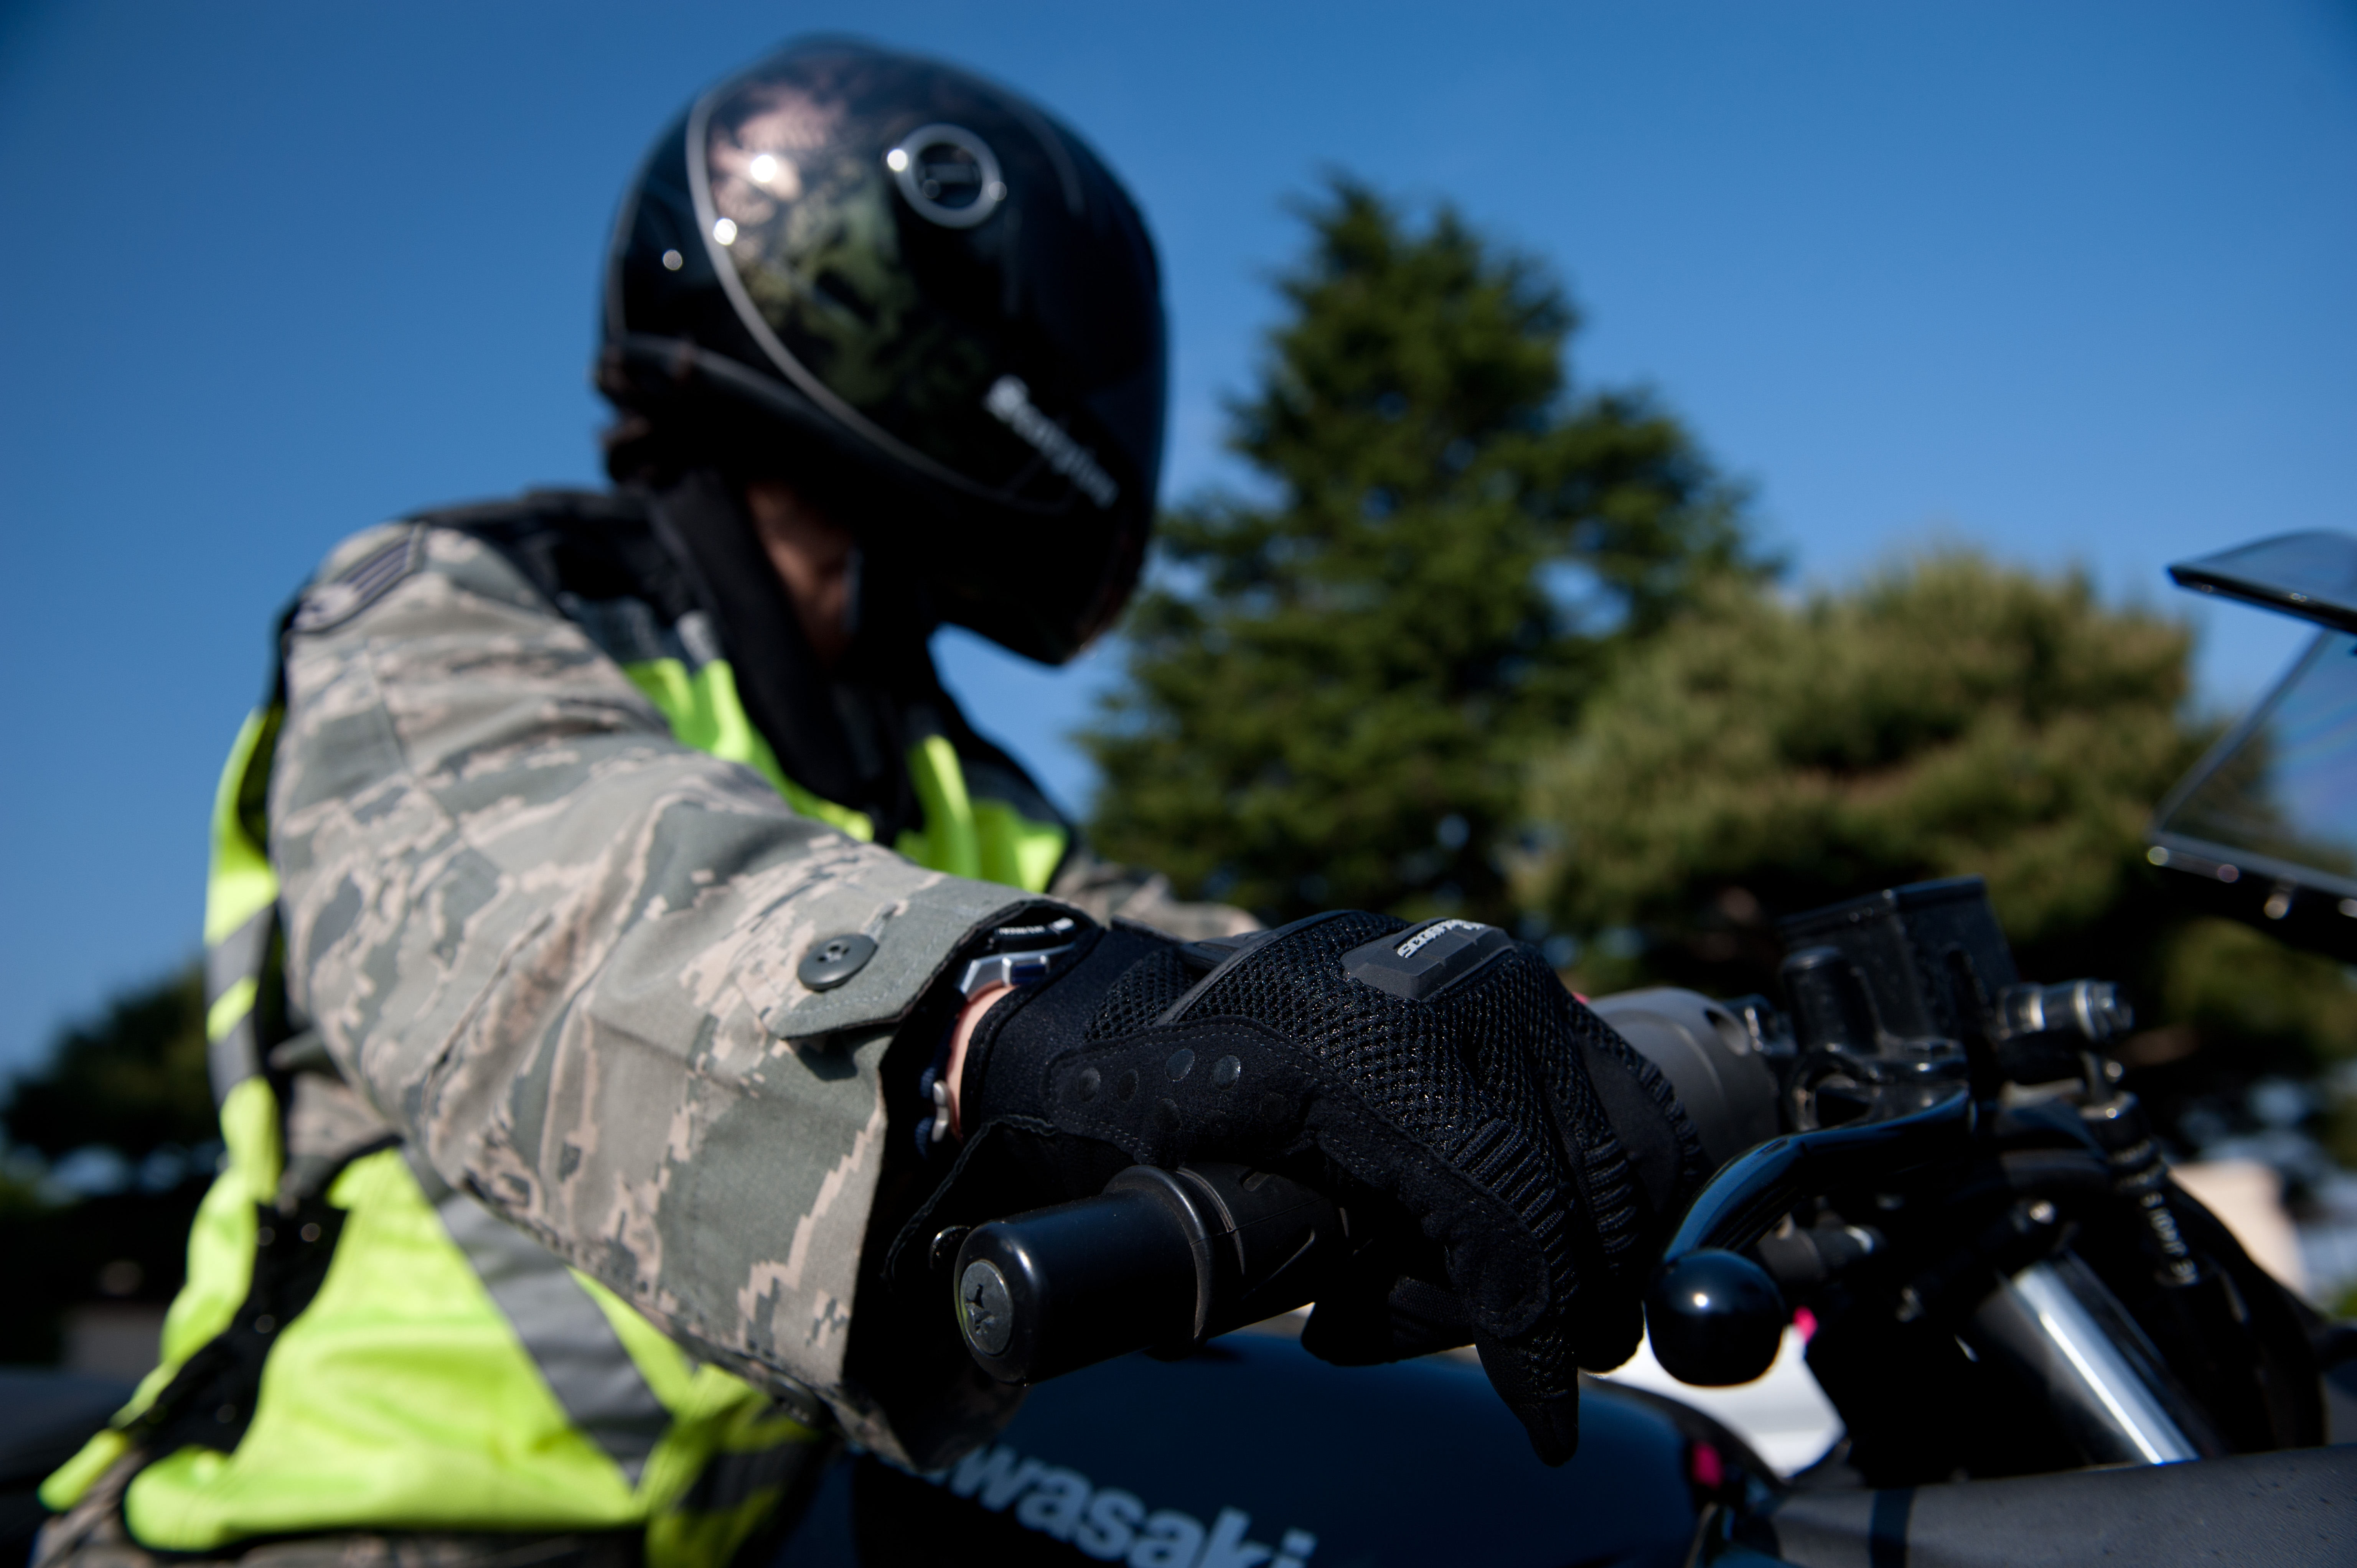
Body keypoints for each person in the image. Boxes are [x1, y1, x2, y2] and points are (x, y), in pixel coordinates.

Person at [37, 38, 1702, 1568]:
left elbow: (1202, 982)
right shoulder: (451, 612)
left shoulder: (943, 779)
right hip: (322, 1528)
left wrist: (1503, 1039)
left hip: (758, 1538)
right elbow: (574, 908)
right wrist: (1010, 1010)